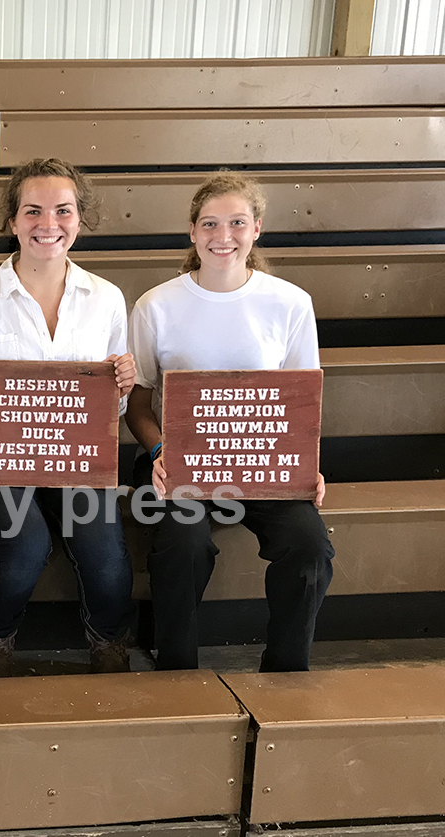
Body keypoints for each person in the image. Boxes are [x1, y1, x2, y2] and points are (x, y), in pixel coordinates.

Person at [125, 171, 334, 672]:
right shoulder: (157, 305)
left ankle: (286, 669)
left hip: (262, 465)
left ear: (257, 228)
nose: (224, 236)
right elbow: (136, 405)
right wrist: (159, 453)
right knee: (183, 542)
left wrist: (307, 468)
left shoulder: (289, 303)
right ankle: (176, 665)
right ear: (193, 232)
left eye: (237, 223)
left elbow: (299, 404)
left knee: (310, 549)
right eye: (210, 224)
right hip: (179, 464)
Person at [0, 158, 137, 677]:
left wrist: (121, 386)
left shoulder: (107, 299)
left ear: (80, 219)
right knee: (25, 546)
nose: (48, 223)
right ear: (13, 221)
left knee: (106, 552)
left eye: (63, 210)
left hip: (79, 461)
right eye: (33, 211)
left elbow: (108, 408)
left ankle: (108, 640)